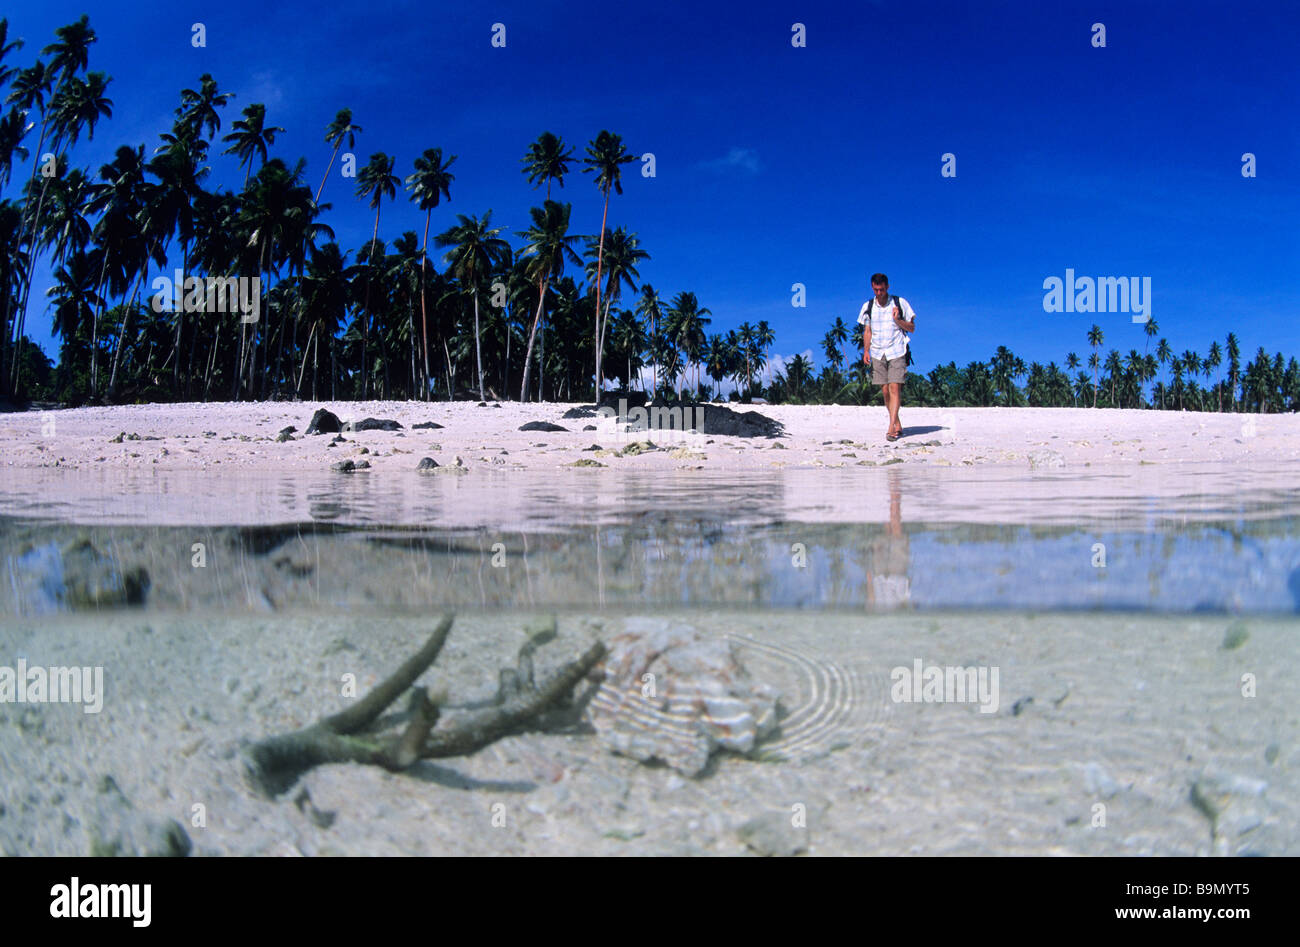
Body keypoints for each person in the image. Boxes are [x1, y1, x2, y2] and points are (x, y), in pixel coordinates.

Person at [858, 273, 916, 441]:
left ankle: (891, 428)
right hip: (877, 352)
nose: (879, 293)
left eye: (882, 289)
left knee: (894, 388)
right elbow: (867, 331)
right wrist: (866, 351)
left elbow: (912, 328)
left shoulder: (900, 303)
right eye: (876, 290)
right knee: (885, 391)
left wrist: (898, 320)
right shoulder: (868, 306)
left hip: (897, 350)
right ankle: (896, 422)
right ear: (872, 288)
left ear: (887, 287)